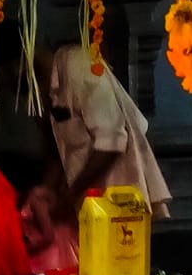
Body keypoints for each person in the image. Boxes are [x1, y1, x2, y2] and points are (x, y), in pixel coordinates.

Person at [45, 38, 171, 218]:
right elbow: (57, 150)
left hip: (122, 204)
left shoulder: (77, 64)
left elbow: (112, 140)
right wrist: (48, 191)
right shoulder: (47, 88)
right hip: (93, 211)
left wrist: (70, 196)